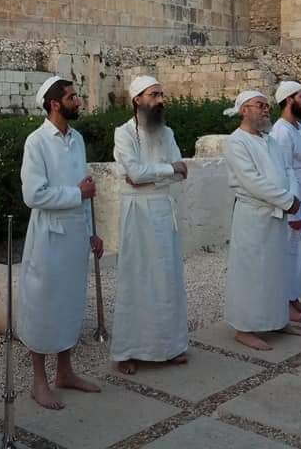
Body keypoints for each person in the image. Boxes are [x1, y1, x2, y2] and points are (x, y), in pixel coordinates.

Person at [18, 76, 104, 410]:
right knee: (43, 305)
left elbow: (85, 191)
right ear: (55, 103)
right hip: (49, 237)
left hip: (75, 236)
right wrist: (76, 194)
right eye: (72, 96)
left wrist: (92, 232)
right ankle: (39, 380)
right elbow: (33, 194)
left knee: (70, 302)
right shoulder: (36, 142)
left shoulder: (77, 139)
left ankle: (65, 371)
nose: (78, 100)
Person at [110, 76, 189, 376]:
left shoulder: (166, 132)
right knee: (137, 281)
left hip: (162, 210)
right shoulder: (123, 133)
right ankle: (127, 351)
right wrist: (167, 170)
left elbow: (182, 169)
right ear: (137, 100)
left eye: (161, 94)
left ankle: (167, 346)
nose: (160, 100)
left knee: (166, 280)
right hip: (137, 214)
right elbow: (133, 173)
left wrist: (155, 173)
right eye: (153, 95)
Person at [223, 90, 301, 351]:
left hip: (276, 215)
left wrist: (292, 195)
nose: (266, 110)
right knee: (252, 273)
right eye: (260, 105)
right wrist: (286, 200)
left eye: (267, 106)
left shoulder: (270, 141)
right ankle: (244, 328)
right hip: (254, 217)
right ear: (244, 110)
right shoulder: (236, 142)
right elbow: (252, 181)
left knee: (276, 271)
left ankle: (277, 320)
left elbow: (288, 169)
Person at [269, 81, 301, 323]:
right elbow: (282, 173)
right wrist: (292, 213)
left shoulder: (299, 129)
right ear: (289, 99)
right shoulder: (280, 131)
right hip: (294, 201)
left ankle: (296, 298)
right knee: (292, 253)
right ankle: (283, 303)